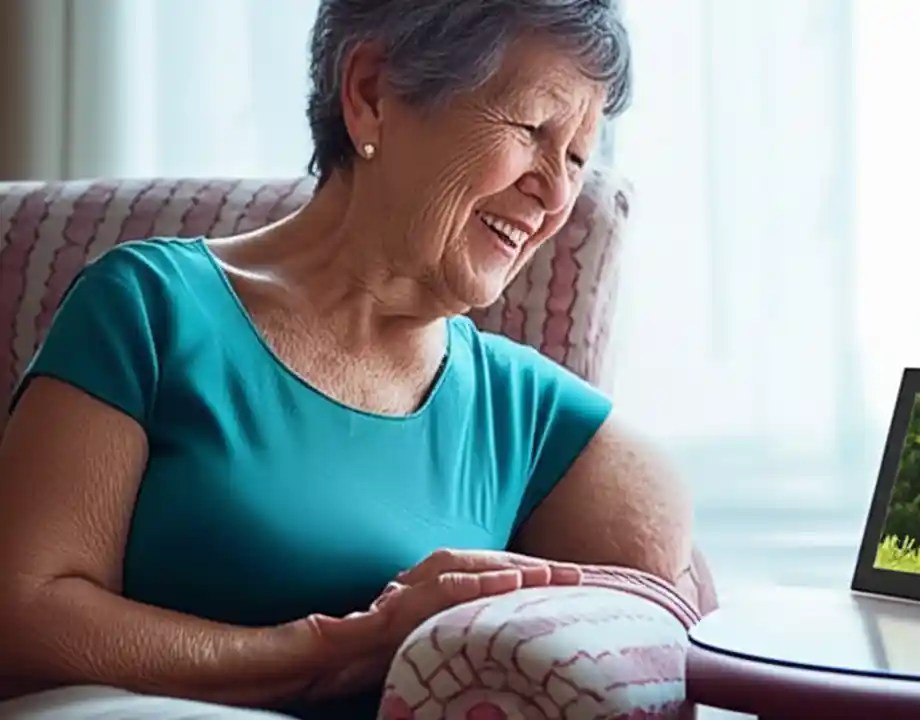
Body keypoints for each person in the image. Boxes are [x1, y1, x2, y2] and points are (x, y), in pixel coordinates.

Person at [0, 2, 692, 719]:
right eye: (532, 129)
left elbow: (674, 621)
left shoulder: (540, 421)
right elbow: (23, 613)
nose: (554, 194)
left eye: (577, 156)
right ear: (369, 93)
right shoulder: (150, 308)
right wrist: (330, 651)